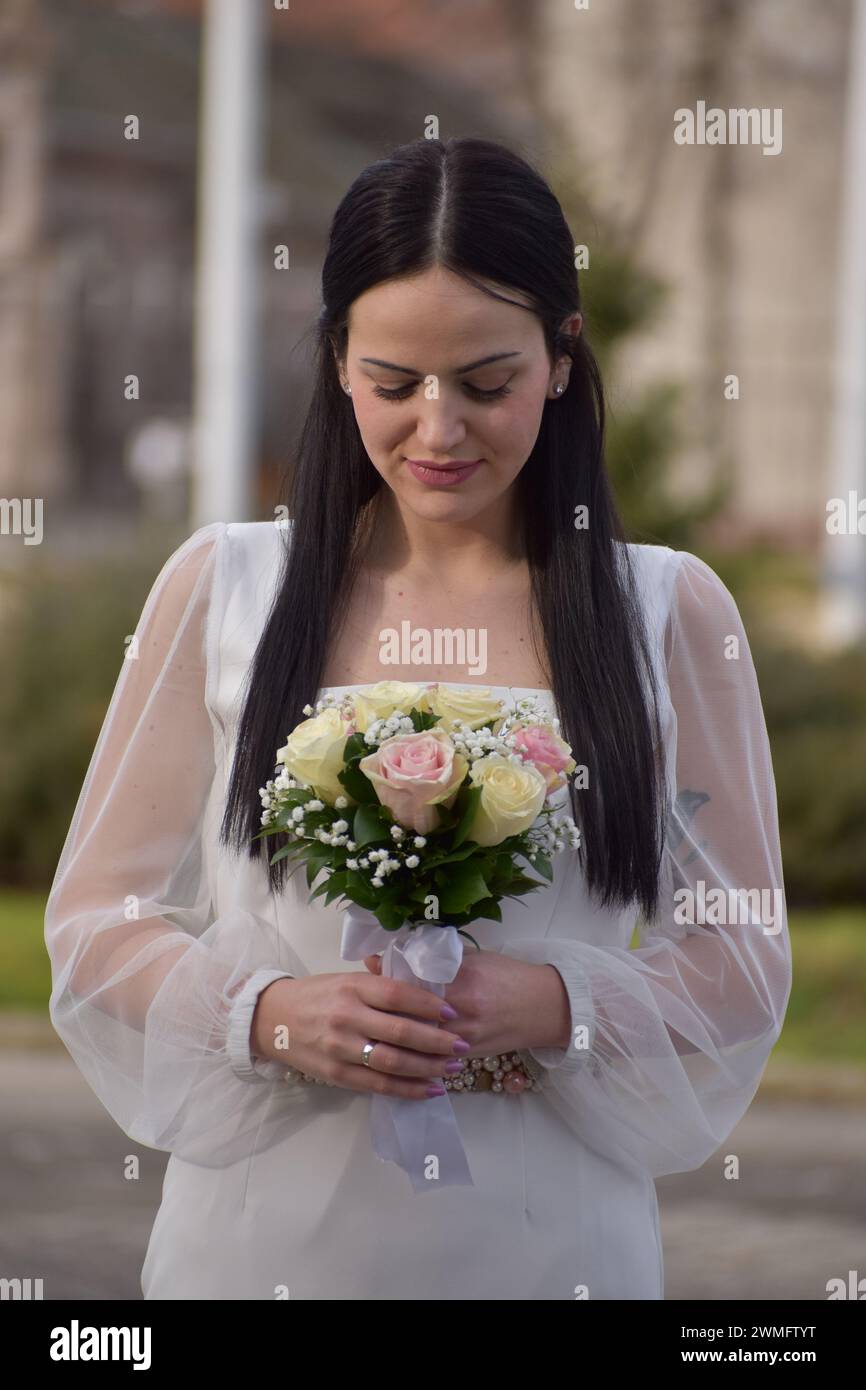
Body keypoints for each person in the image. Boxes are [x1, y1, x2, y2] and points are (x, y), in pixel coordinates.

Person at [44, 136, 791, 1300]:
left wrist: (551, 1001)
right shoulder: (226, 586)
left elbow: (742, 949)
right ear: (339, 359)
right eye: (394, 383)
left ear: (560, 357)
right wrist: (268, 1014)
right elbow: (96, 917)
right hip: (262, 1242)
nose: (438, 430)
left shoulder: (665, 609)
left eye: (487, 383)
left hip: (550, 1243)